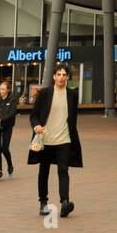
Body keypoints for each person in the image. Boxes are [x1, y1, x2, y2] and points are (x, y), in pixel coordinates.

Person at [28, 64, 83, 218]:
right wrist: (36, 126)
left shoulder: (72, 95)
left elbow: (72, 119)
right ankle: (43, 202)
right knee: (44, 171)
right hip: (45, 139)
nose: (61, 77)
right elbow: (34, 115)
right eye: (58, 74)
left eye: (64, 74)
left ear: (67, 77)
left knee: (63, 170)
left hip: (64, 139)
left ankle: (65, 202)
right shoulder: (45, 93)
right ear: (54, 77)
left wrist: (73, 137)